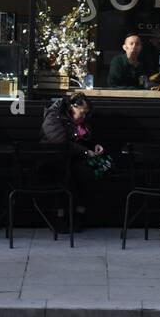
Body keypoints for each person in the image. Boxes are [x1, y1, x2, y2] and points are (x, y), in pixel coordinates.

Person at [39, 91, 109, 233]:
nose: (84, 117)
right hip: (54, 157)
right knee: (63, 175)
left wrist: (95, 146)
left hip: (75, 158)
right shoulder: (54, 116)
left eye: (86, 114)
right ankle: (59, 217)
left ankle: (79, 215)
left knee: (88, 173)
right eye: (82, 113)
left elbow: (85, 139)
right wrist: (85, 151)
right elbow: (60, 142)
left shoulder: (82, 120)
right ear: (72, 107)